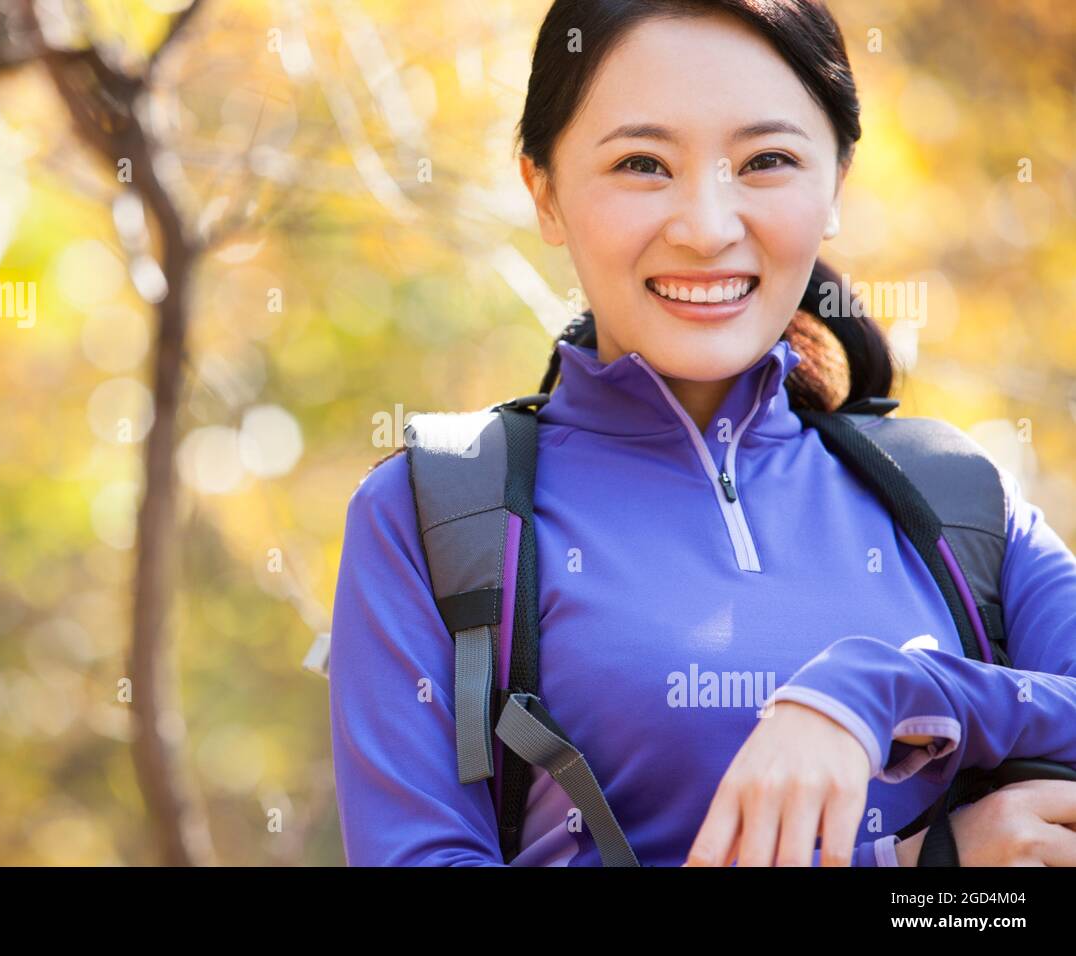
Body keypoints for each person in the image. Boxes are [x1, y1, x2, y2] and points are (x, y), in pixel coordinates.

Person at [327, 0, 1076, 866]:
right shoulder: (432, 517)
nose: (707, 228)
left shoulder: (957, 498)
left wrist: (883, 689)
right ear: (545, 191)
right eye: (644, 164)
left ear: (836, 183)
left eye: (767, 160)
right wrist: (917, 871)